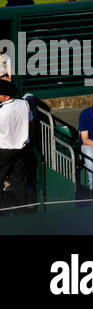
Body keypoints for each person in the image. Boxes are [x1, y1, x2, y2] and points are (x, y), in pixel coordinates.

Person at [0, 79, 35, 212]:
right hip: (21, 150)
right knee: (19, 183)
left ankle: (2, 210)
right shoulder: (24, 104)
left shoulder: (1, 111)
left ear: (7, 97)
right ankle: (21, 211)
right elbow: (31, 123)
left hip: (3, 151)